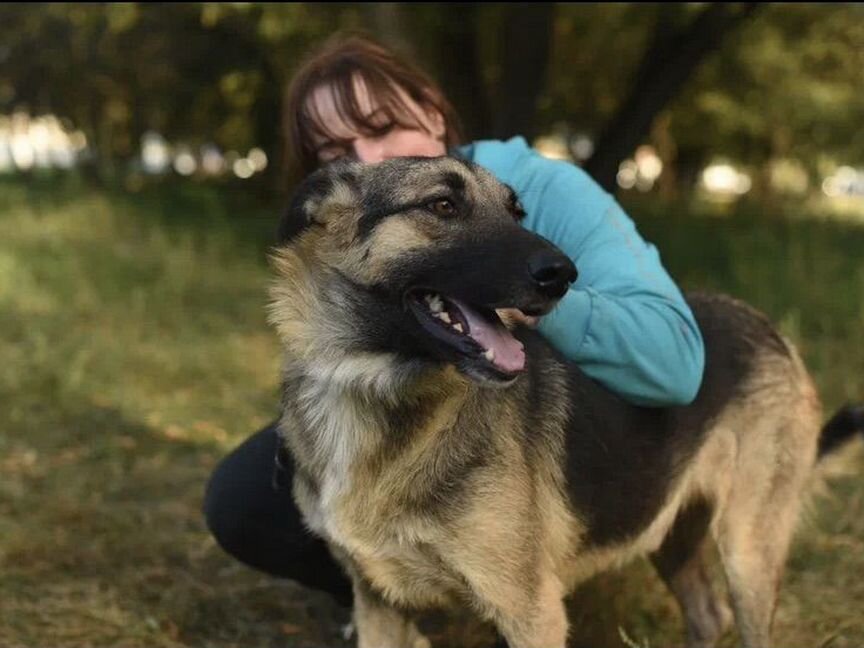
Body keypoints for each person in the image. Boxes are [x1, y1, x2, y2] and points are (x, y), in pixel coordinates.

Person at [204, 34, 705, 613]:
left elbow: (677, 361)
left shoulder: (545, 188)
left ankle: (480, 577)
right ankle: (409, 604)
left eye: (384, 126)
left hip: (539, 421)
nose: (368, 159)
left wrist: (537, 305)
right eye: (334, 149)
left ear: (434, 112)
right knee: (244, 501)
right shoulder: (352, 218)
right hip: (381, 408)